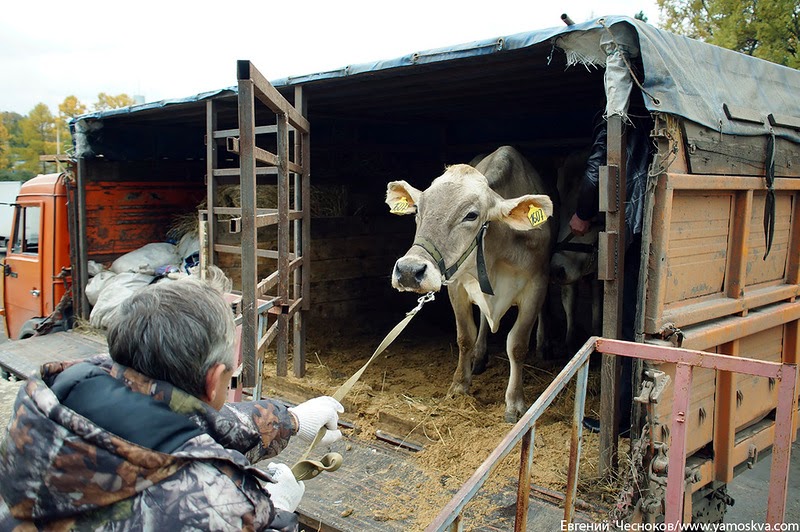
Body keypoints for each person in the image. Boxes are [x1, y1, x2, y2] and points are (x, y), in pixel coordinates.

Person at [0, 271, 344, 531]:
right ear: (214, 380)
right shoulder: (208, 508)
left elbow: (195, 421)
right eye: (228, 377)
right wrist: (273, 513)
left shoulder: (58, 399)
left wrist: (292, 420)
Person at [570, 111, 653, 437]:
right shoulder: (651, 113)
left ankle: (621, 421)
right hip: (653, 220)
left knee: (625, 324)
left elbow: (595, 172)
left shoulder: (615, 115)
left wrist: (582, 213)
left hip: (632, 227)